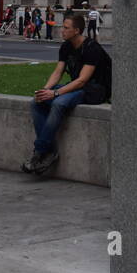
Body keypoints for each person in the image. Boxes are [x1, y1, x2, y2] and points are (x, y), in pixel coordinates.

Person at [23, 11, 112, 176]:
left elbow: (82, 80)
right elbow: (58, 72)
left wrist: (55, 94)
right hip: (78, 86)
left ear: (76, 30)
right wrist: (45, 90)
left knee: (59, 103)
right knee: (36, 102)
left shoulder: (92, 48)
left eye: (65, 28)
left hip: (94, 90)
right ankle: (49, 152)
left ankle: (40, 152)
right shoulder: (66, 46)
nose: (61, 30)